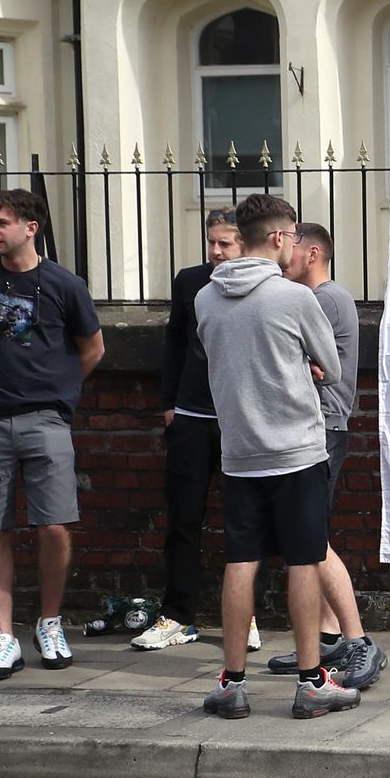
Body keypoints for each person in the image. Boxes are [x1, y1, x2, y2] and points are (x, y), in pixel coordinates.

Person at [196, 193, 360, 720]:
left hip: (240, 451)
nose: (294, 243)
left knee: (240, 560)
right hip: (295, 448)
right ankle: (312, 681)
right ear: (276, 238)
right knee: (304, 559)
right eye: (291, 235)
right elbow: (331, 368)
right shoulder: (294, 299)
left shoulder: (205, 298)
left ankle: (231, 681)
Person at [0, 189, 104, 680]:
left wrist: (61, 392)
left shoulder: (63, 284)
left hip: (46, 420)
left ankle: (49, 622)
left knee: (54, 525)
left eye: (2, 222)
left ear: (32, 227)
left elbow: (93, 347)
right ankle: (4, 636)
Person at [265, 221, 387, 690]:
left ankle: (352, 641)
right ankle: (328, 636)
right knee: (310, 535)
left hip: (324, 426)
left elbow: (312, 366)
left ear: (312, 252)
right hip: (317, 426)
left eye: (292, 248)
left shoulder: (323, 299)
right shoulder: (322, 299)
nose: (285, 256)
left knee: (309, 536)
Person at [136, 208, 263, 654]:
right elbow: (173, 341)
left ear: (244, 244)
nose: (215, 251)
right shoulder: (190, 281)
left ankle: (245, 618)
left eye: (225, 243)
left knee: (244, 523)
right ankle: (178, 615)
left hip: (240, 418)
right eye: (211, 241)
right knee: (183, 518)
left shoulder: (262, 284)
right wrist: (168, 403)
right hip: (190, 414)